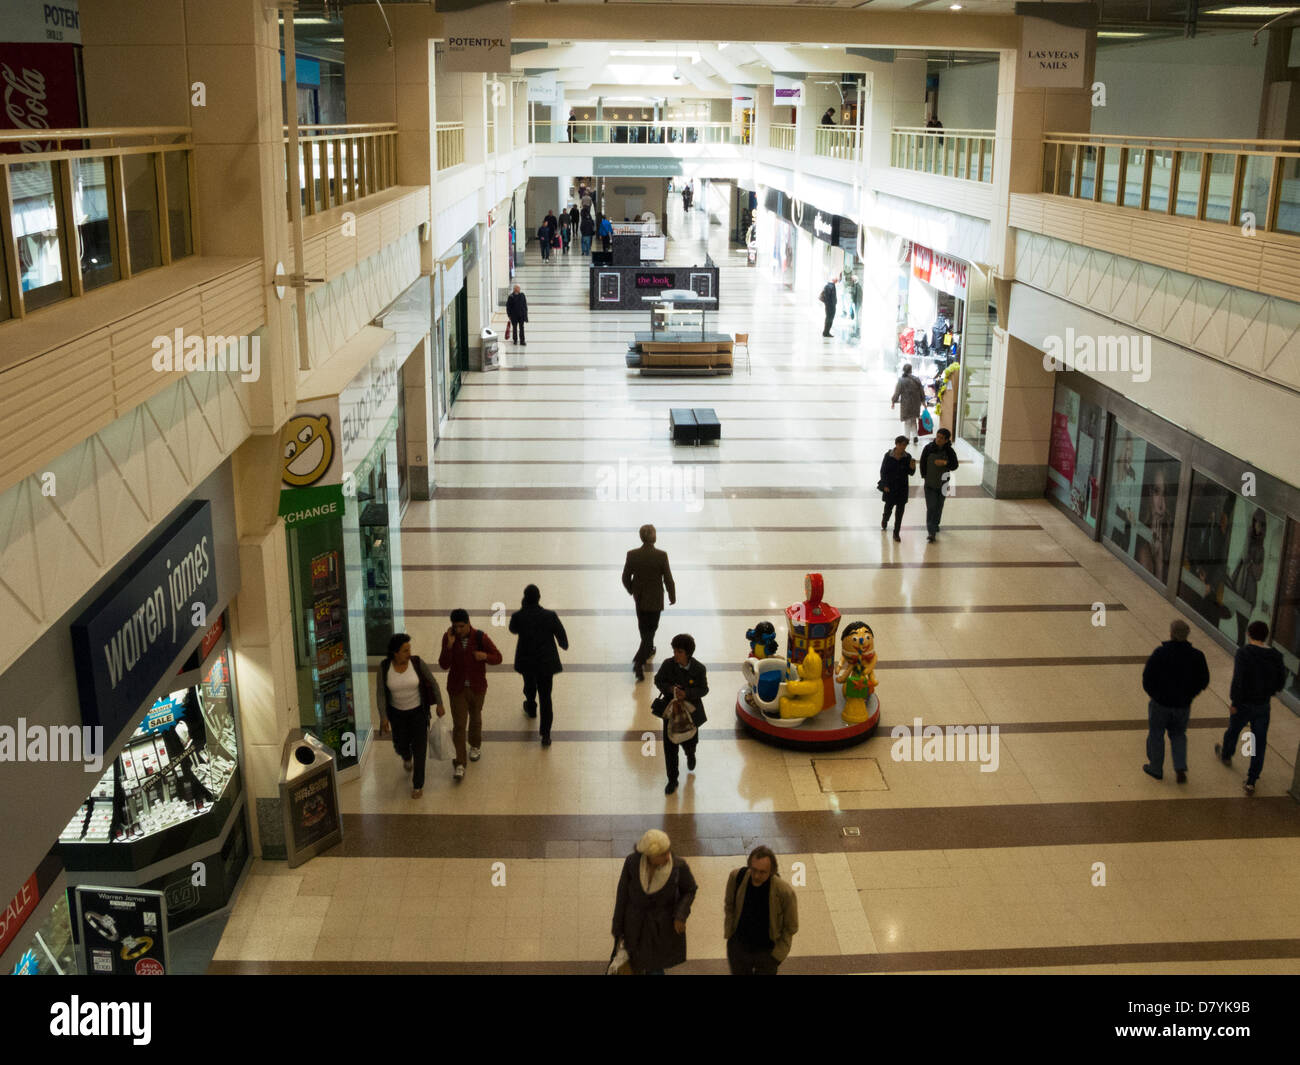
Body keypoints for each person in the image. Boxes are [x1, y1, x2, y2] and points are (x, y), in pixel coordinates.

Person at [610, 829, 697, 975]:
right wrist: (617, 927)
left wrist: (680, 915)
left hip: (660, 928)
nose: (668, 856)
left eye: (668, 851)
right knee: (633, 964)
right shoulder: (632, 863)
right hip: (634, 925)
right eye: (662, 854)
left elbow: (690, 889)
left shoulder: (678, 866)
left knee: (655, 967)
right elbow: (622, 895)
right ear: (649, 855)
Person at [1216, 620, 1286, 794]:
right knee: (1258, 742)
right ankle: (1252, 779)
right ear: (1266, 636)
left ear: (1248, 634)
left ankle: (1226, 754)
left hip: (1244, 704)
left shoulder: (1244, 653)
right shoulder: (1276, 655)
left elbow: (1238, 680)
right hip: (1263, 705)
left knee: (1233, 730)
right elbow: (1280, 682)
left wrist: (1234, 702)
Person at [438, 608, 504, 782]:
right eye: (455, 627)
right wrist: (450, 646)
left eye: (461, 626)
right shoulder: (449, 638)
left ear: (468, 623)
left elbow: (498, 657)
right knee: (459, 725)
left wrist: (485, 656)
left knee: (475, 718)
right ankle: (459, 763)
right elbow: (443, 664)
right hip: (456, 689)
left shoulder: (480, 637)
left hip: (477, 687)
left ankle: (475, 745)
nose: (458, 630)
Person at [1141, 619, 1210, 783]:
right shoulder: (1197, 656)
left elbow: (1147, 677)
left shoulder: (1160, 653)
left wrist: (1154, 694)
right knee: (1179, 734)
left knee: (1156, 734)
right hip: (1183, 705)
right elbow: (1204, 680)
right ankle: (1180, 767)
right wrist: (1191, 695)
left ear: (1171, 633)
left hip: (1160, 703)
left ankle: (1156, 768)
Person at [376, 633, 445, 799]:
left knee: (420, 749)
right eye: (405, 650)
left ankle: (418, 785)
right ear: (395, 652)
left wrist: (440, 704)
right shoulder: (385, 667)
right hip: (397, 715)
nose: (409, 653)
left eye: (409, 649)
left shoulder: (417, 662)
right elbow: (381, 694)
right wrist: (383, 717)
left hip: (418, 713)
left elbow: (433, 682)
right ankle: (406, 756)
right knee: (401, 743)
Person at [723, 845, 800, 975]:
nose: (757, 876)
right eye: (753, 870)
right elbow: (729, 905)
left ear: (772, 871)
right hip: (739, 948)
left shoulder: (784, 891)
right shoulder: (737, 877)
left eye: (762, 872)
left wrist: (777, 955)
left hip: (767, 952)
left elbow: (791, 926)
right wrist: (730, 934)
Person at [508, 584, 569, 747]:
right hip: (546, 662)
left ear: (525, 598)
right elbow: (561, 635)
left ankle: (531, 705)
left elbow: (512, 629)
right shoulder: (549, 616)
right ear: (539, 597)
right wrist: (563, 644)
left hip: (527, 661)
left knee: (529, 685)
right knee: (546, 696)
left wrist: (523, 609)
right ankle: (546, 734)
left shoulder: (519, 616)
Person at [653, 634, 707, 795]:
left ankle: (690, 754)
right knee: (670, 748)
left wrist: (688, 693)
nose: (676, 655)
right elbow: (658, 680)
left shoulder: (699, 669)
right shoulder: (668, 665)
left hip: (691, 713)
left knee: (690, 741)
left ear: (688, 653)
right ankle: (672, 780)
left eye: (680, 652)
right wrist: (670, 690)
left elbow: (704, 689)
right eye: (674, 651)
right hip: (671, 713)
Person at [622, 523, 676, 681]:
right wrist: (672, 596)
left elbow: (625, 578)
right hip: (655, 599)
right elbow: (668, 579)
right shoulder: (661, 555)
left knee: (643, 627)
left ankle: (649, 649)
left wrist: (633, 590)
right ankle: (639, 662)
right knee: (651, 629)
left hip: (640, 599)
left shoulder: (632, 555)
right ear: (654, 537)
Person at [919, 428, 958, 543]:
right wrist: (925, 477)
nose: (938, 439)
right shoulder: (928, 448)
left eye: (941, 438)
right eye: (938, 436)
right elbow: (922, 463)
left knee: (939, 506)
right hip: (930, 483)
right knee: (931, 507)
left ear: (946, 440)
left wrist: (945, 463)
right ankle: (931, 532)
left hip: (943, 484)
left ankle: (935, 524)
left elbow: (955, 465)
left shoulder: (949, 451)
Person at [879, 435, 917, 542]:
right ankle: (885, 520)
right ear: (896, 444)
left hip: (902, 489)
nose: (902, 447)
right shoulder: (888, 456)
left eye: (904, 445)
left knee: (899, 513)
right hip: (890, 488)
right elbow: (883, 471)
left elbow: (911, 473)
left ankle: (896, 533)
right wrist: (885, 484)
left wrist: (913, 467)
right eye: (900, 444)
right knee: (888, 509)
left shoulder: (907, 457)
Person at [891, 363, 926, 443]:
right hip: (916, 404)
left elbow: (897, 392)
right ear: (911, 370)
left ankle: (907, 438)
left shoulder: (901, 380)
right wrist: (923, 401)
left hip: (906, 404)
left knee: (907, 422)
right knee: (913, 420)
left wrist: (893, 401)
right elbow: (921, 391)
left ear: (903, 370)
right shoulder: (916, 379)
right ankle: (915, 436)